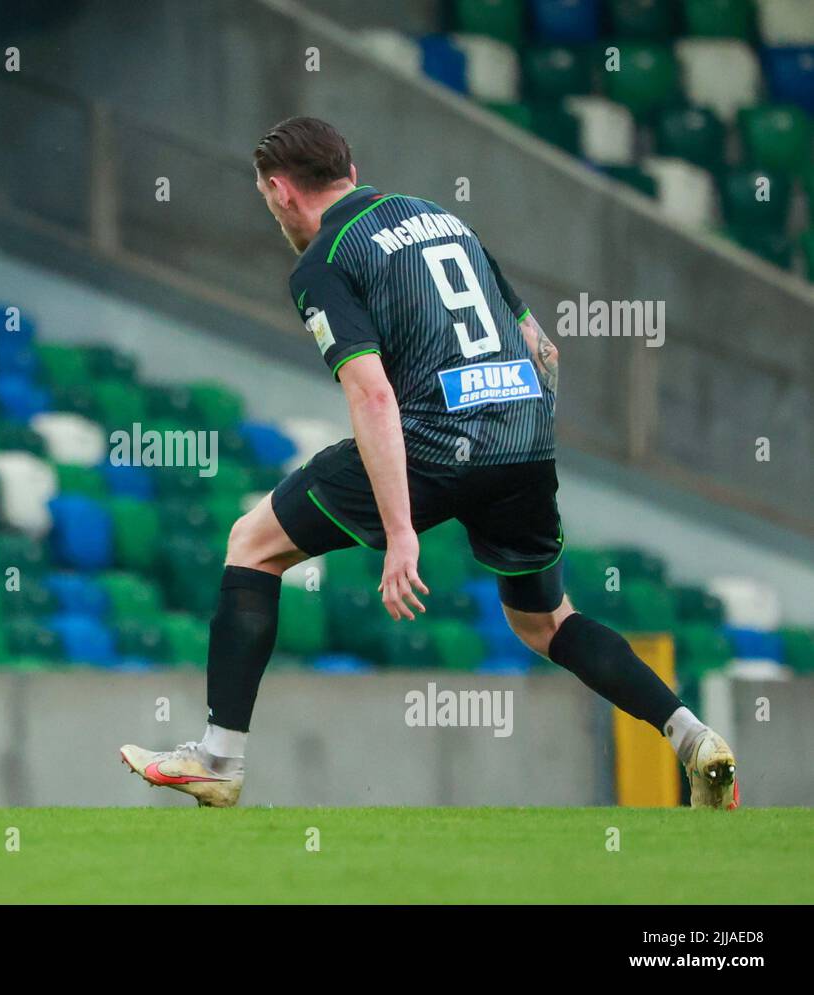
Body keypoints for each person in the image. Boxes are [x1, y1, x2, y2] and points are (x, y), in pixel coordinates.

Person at [120, 116, 737, 811]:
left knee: (252, 544)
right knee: (546, 621)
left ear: (281, 191)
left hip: (434, 441)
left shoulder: (325, 260)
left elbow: (374, 394)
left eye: (269, 202)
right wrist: (523, 445)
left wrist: (401, 530)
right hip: (522, 435)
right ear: (349, 170)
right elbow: (543, 349)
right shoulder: (443, 219)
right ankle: (691, 736)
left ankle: (219, 758)